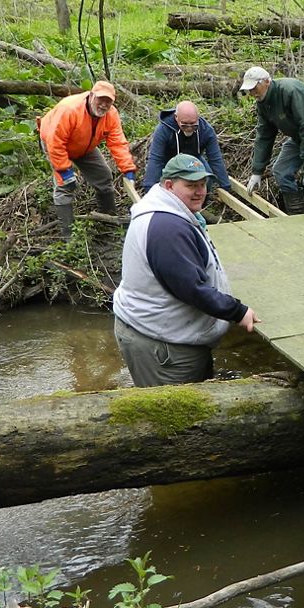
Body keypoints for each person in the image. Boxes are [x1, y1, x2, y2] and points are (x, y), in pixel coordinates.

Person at [113, 154, 258, 387]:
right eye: (191, 185)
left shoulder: (172, 212)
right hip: (161, 345)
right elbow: (190, 288)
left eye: (202, 184)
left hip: (159, 332)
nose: (199, 191)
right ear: (169, 185)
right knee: (175, 418)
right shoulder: (166, 228)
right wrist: (237, 311)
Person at [37, 80, 137, 239]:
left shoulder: (111, 115)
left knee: (104, 176)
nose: (104, 105)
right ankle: (68, 236)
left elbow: (118, 143)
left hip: (84, 146)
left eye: (108, 101)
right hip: (55, 143)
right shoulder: (69, 110)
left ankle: (108, 219)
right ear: (91, 96)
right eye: (100, 99)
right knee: (65, 186)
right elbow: (55, 143)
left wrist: (128, 170)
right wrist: (64, 171)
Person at [238, 65, 304, 221]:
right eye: (249, 90)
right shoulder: (263, 103)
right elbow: (264, 136)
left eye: (254, 88)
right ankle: (297, 218)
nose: (252, 93)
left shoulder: (289, 91)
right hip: (301, 135)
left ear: (266, 82)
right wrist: (257, 171)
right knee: (281, 171)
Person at [142, 100, 232, 195]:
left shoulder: (206, 130)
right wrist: (149, 189)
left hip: (193, 159)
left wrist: (225, 186)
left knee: (207, 177)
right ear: (176, 117)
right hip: (168, 161)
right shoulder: (163, 130)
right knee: (172, 184)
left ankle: (199, 203)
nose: (189, 128)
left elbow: (215, 159)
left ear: (198, 118)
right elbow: (156, 159)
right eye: (184, 124)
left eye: (193, 124)